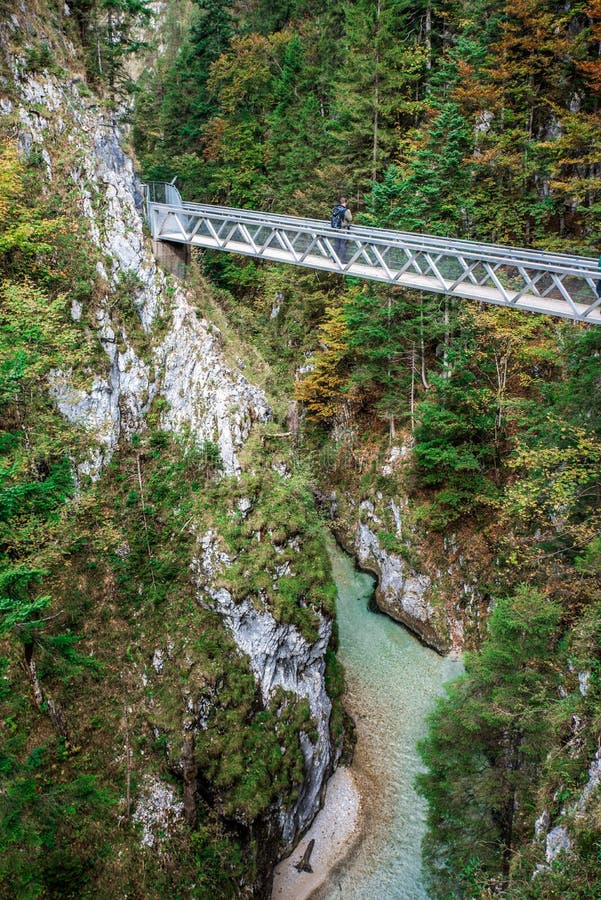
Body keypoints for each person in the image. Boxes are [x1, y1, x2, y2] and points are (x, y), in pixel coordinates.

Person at [331, 196, 352, 264]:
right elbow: (350, 219)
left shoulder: (335, 209)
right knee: (343, 244)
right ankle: (343, 260)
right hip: (343, 229)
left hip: (336, 228)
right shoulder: (345, 210)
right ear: (345, 202)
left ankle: (334, 259)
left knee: (336, 244)